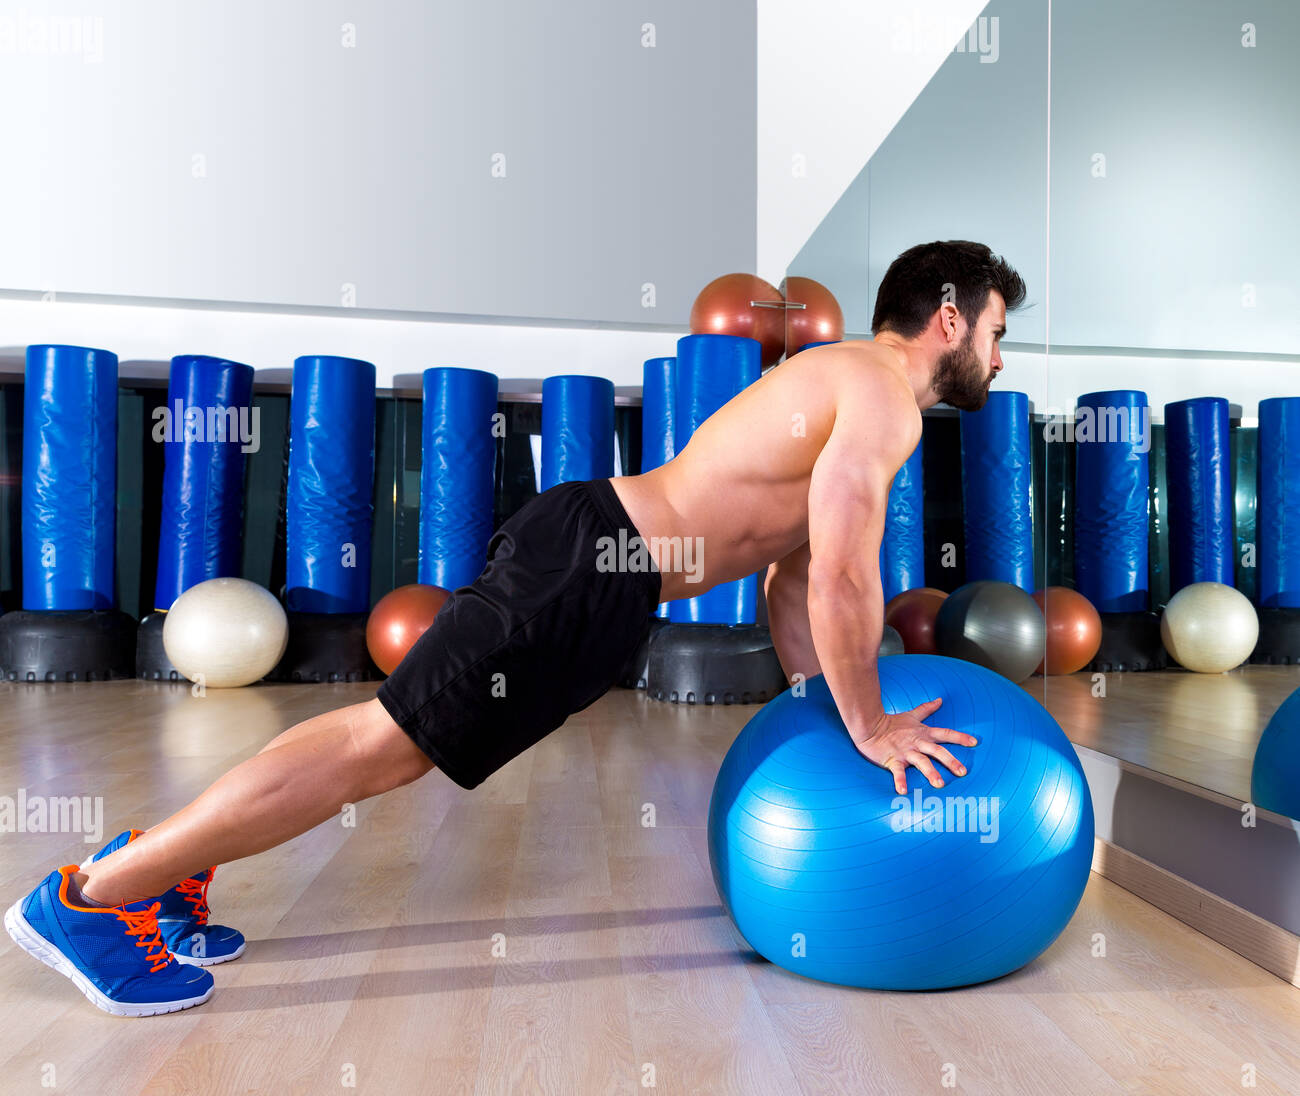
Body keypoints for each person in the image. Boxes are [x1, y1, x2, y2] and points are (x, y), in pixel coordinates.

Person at [6, 240, 1025, 1014]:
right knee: (384, 746)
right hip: (591, 567)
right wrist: (870, 727)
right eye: (995, 328)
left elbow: (797, 572)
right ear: (948, 315)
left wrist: (815, 706)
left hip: (601, 567)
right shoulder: (880, 397)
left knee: (388, 743)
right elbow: (848, 573)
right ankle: (91, 897)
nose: (997, 349)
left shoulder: (842, 382)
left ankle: (166, 867)